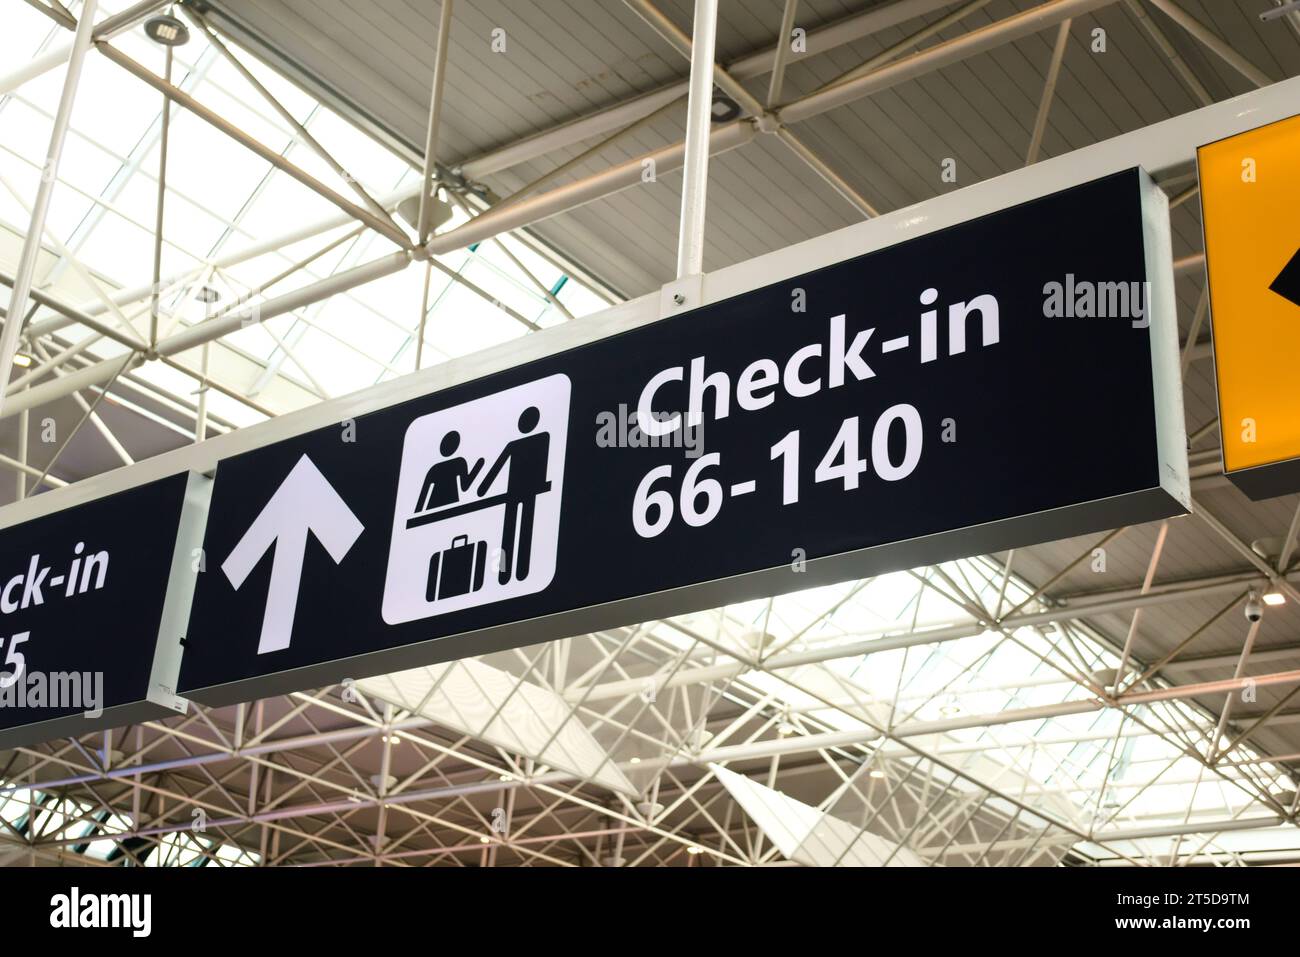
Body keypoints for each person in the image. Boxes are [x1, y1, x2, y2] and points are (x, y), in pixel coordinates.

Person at [477, 407, 550, 584]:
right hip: (523, 491)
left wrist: (483, 488)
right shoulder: (538, 439)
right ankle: (510, 573)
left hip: (523, 491)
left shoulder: (541, 438)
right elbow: (499, 466)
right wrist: (483, 488)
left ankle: (518, 573)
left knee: (517, 530)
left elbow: (497, 467)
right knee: (516, 529)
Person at [415, 431, 483, 513]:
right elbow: (465, 486)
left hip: (437, 506)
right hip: (449, 503)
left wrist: (416, 515)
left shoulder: (435, 468)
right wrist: (477, 468)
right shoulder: (459, 462)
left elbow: (421, 499)